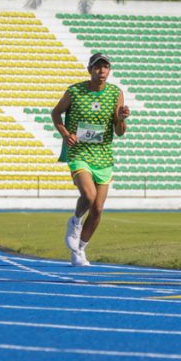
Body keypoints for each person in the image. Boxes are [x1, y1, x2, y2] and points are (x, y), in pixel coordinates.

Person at [51, 52, 130, 267]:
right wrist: (66, 134)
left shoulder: (116, 93)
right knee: (89, 194)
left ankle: (80, 250)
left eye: (105, 67)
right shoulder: (75, 91)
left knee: (98, 209)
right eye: (97, 67)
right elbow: (56, 113)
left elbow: (120, 131)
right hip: (79, 153)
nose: (102, 71)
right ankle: (75, 220)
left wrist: (121, 119)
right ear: (89, 70)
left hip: (103, 155)